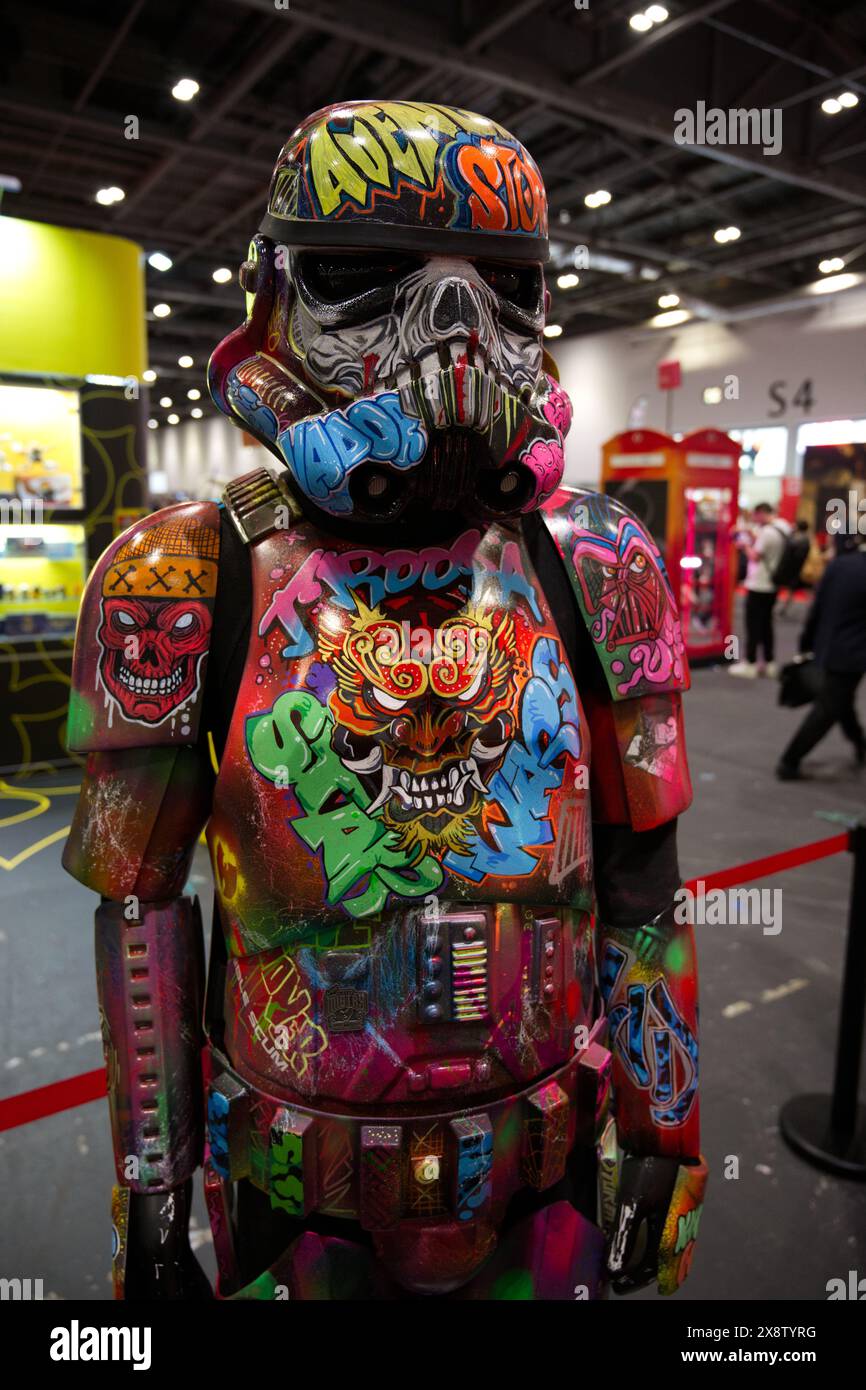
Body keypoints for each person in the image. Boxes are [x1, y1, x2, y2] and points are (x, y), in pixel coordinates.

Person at [61, 101, 705, 1301]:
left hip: (542, 1162)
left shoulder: (595, 560)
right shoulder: (184, 574)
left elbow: (640, 880)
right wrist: (151, 1189)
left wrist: (663, 1131)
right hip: (294, 1188)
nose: (455, 338)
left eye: (505, 287)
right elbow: (141, 912)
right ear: (273, 294)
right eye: (366, 277)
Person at [777, 536, 866, 779]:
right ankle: (789, 761)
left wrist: (807, 642)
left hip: (830, 647)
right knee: (829, 707)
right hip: (852, 653)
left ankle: (861, 744)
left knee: (841, 701)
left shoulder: (840, 565)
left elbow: (817, 608)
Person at [729, 502, 791, 678]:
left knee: (753, 625)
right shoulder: (783, 527)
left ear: (762, 513)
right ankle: (769, 662)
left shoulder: (767, 532)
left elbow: (755, 555)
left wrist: (744, 545)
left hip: (759, 585)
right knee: (766, 625)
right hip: (773, 585)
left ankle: (750, 663)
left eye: (755, 516)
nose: (754, 520)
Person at [775, 519, 811, 617]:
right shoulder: (806, 539)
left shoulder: (796, 539)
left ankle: (782, 608)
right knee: (796, 591)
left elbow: (789, 554)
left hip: (794, 570)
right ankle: (784, 609)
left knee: (785, 588)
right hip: (799, 569)